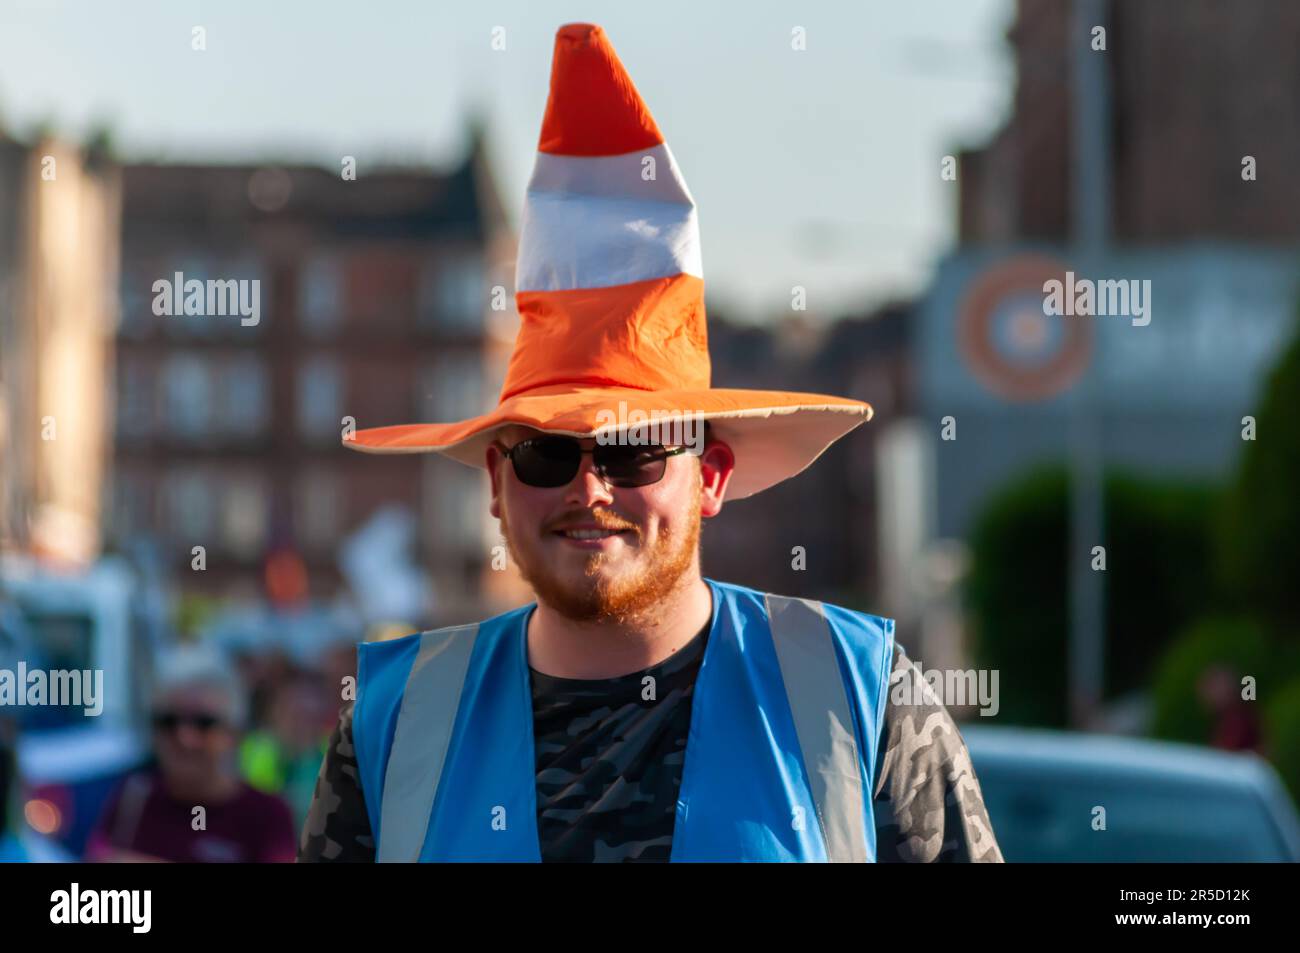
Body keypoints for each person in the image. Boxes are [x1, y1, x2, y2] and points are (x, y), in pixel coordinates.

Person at [300, 22, 1002, 863]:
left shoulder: (859, 694)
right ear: (495, 481)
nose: (587, 488)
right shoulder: (394, 722)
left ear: (710, 474)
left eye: (634, 449)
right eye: (546, 452)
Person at [87, 647, 297, 863]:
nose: (184, 738)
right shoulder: (133, 798)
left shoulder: (268, 814)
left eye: (203, 723)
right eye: (169, 722)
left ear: (233, 733)